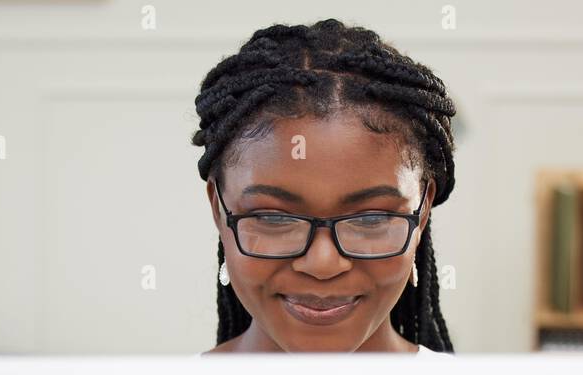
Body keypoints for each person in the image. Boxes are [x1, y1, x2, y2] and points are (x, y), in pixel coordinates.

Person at [193, 19, 457, 356]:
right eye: (274, 218)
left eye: (371, 219)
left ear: (421, 212)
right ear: (218, 208)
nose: (323, 265)